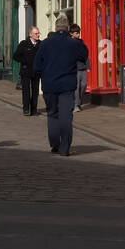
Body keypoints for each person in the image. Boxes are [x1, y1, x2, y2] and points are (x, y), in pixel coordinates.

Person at [35, 14, 89, 157]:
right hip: (67, 85)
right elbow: (84, 55)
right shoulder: (74, 43)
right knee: (66, 116)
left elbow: (37, 66)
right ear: (67, 29)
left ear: (55, 27)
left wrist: (42, 76)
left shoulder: (45, 43)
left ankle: (55, 144)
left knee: (52, 114)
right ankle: (65, 148)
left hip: (49, 85)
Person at [12, 27, 42, 116]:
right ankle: (26, 109)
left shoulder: (41, 44)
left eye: (38, 33)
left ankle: (34, 109)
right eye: (36, 33)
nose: (38, 35)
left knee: (35, 91)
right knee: (26, 90)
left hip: (36, 71)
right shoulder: (24, 44)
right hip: (26, 71)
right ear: (30, 35)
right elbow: (16, 56)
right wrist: (25, 61)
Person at [70, 24, 90, 111]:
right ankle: (76, 105)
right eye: (76, 33)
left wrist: (88, 66)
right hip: (74, 69)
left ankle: (78, 102)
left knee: (84, 85)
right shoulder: (69, 43)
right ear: (71, 33)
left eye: (79, 33)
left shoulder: (82, 43)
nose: (78, 35)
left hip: (83, 68)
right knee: (76, 87)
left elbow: (86, 55)